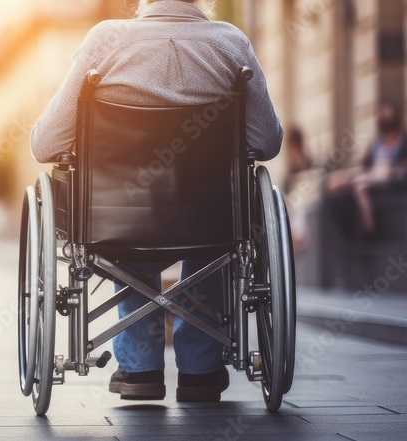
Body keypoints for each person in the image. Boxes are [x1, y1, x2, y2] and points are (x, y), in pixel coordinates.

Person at [29, 0, 283, 402]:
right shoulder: (231, 44)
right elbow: (267, 143)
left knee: (129, 232)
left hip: (118, 214)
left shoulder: (106, 40)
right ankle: (201, 369)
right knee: (215, 241)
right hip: (211, 217)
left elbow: (46, 144)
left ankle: (140, 369)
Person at [325, 100, 407, 236]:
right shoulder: (378, 142)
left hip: (389, 178)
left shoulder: (403, 140)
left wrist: (391, 170)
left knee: (360, 186)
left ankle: (368, 228)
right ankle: (341, 230)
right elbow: (366, 165)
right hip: (371, 174)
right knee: (334, 182)